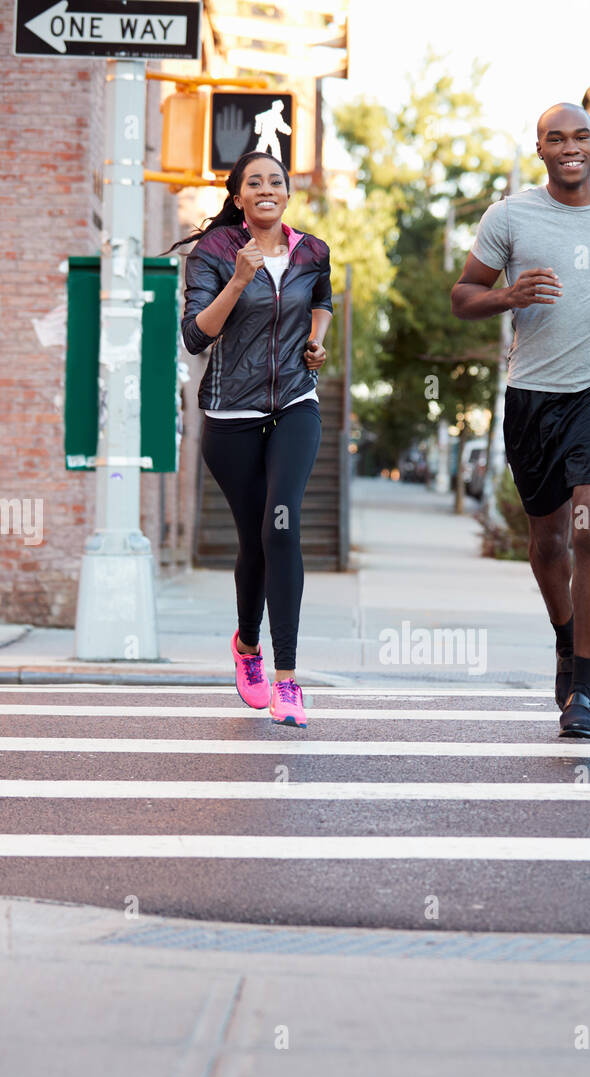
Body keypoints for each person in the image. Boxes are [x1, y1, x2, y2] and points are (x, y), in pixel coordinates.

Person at [451, 104, 590, 738]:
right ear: (540, 149)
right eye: (556, 139)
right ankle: (566, 644)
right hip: (532, 396)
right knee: (547, 540)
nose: (569, 147)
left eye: (580, 137)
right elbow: (463, 295)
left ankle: (585, 695)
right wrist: (506, 297)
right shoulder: (509, 216)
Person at [170, 150, 333, 727]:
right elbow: (196, 335)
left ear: (287, 194)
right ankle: (246, 646)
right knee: (253, 541)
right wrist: (239, 279)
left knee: (281, 523)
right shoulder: (213, 253)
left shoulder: (313, 251)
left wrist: (316, 345)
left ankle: (287, 680)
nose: (267, 188)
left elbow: (321, 305)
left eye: (276, 181)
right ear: (238, 196)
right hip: (229, 415)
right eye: (254, 182)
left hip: (294, 403)